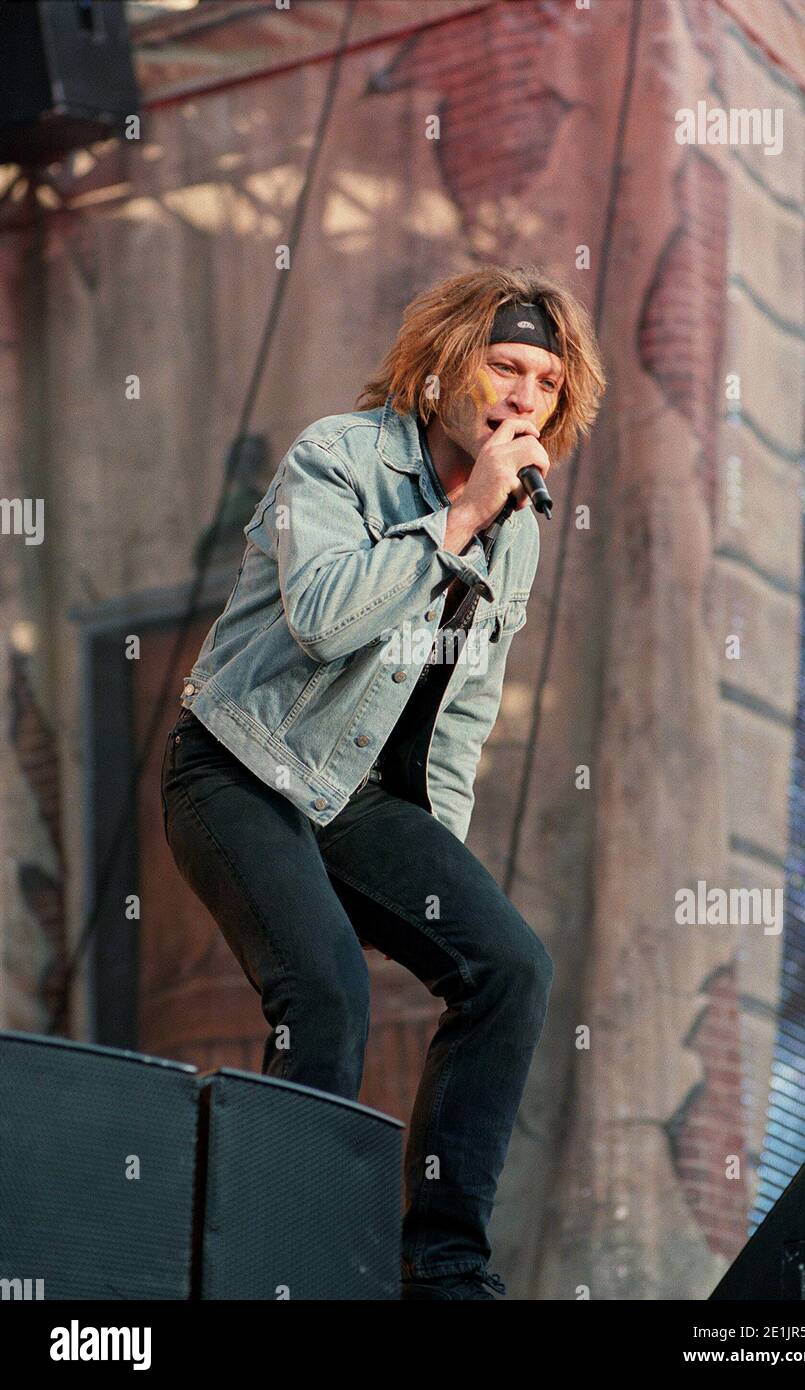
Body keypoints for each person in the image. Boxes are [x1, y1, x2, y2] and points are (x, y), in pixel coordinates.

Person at [160, 264, 605, 1299]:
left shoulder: (520, 531)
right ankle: (282, 1256)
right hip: (240, 765)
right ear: (447, 365)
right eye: (504, 366)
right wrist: (451, 528)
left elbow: (463, 714)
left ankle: (443, 1261)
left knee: (510, 967)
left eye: (544, 381)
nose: (521, 396)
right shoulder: (341, 457)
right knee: (325, 994)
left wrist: (434, 875)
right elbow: (320, 615)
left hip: (362, 800)